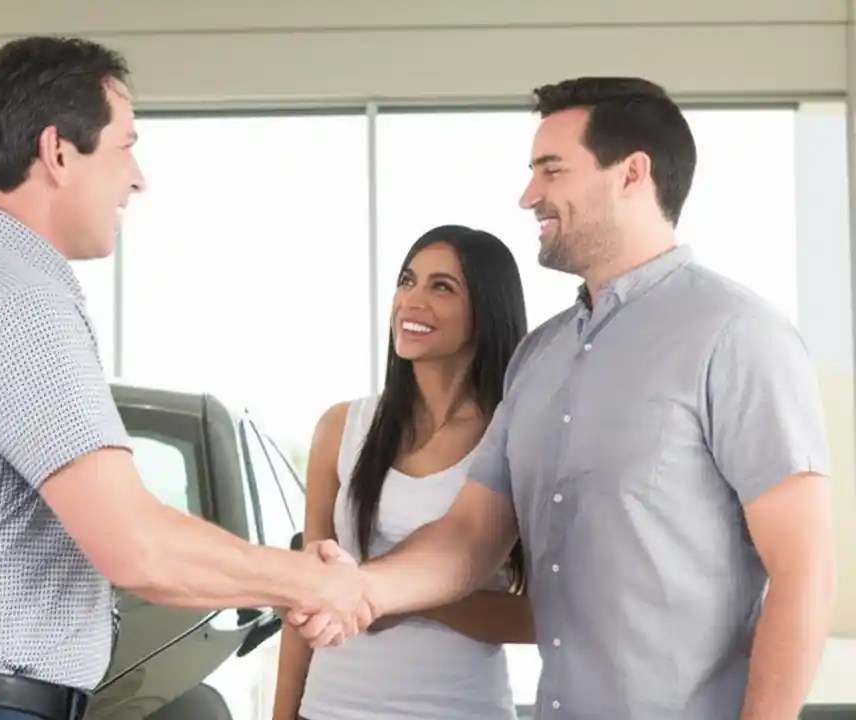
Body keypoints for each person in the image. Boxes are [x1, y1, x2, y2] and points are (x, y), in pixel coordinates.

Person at [0, 36, 374, 720]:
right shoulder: (10, 296)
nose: (138, 178)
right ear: (59, 152)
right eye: (125, 146)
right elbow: (135, 546)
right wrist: (308, 580)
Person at [290, 77, 836, 720]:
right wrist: (362, 588)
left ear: (632, 173)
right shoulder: (538, 358)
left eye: (551, 171)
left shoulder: (737, 336)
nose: (529, 196)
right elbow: (469, 536)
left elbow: (805, 574)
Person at [273, 225, 537, 720]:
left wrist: (396, 595)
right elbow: (305, 597)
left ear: (486, 310)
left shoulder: (517, 439)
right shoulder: (340, 429)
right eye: (407, 280)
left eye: (442, 287)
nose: (411, 301)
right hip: (330, 709)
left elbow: (540, 620)